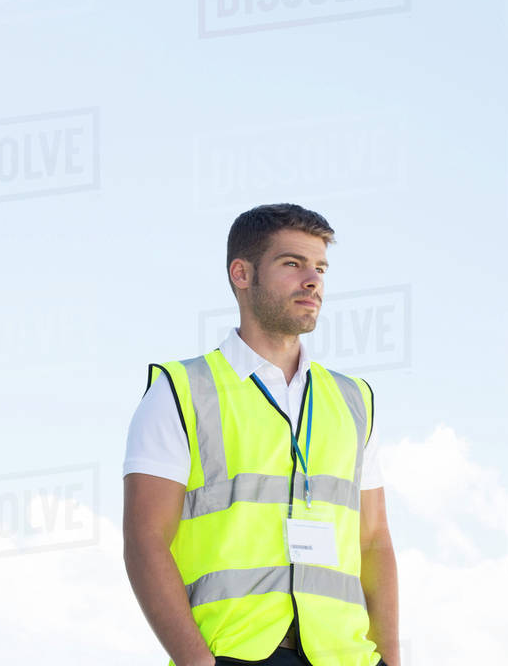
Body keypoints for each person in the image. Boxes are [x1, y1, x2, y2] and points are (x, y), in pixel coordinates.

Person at [123, 203, 400, 666]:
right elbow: (144, 540)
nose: (312, 280)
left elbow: (374, 542)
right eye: (292, 264)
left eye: (320, 268)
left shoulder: (355, 401)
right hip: (230, 654)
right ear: (242, 274)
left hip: (345, 658)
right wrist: (196, 663)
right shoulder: (180, 392)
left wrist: (391, 661)